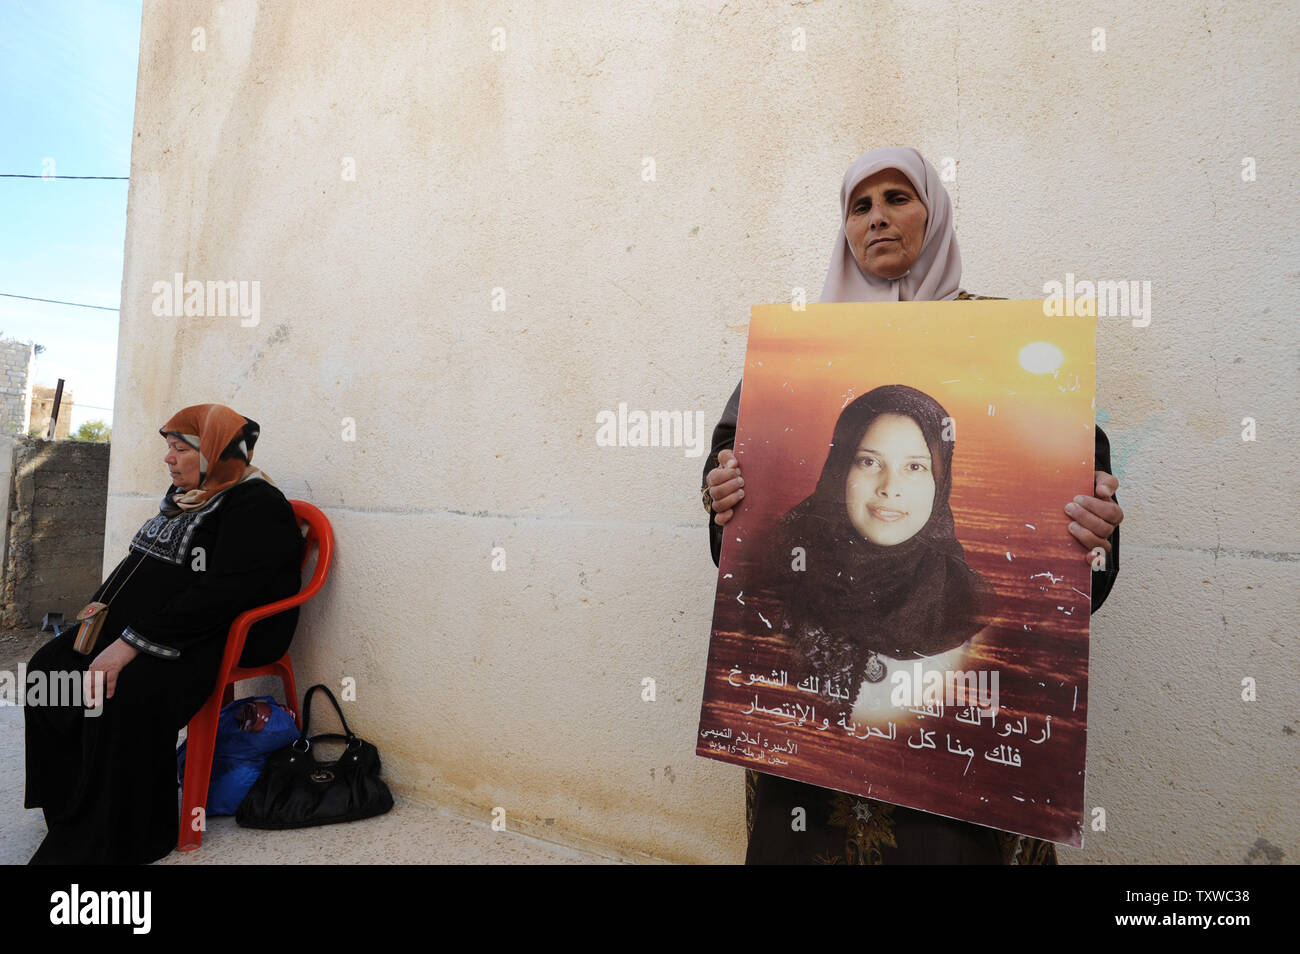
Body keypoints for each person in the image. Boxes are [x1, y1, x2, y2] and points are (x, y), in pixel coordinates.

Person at [701, 147, 1125, 865]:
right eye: (859, 207)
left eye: (897, 197)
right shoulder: (791, 356)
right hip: (806, 761)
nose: (878, 218)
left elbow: (1073, 566)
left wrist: (1093, 532)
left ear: (934, 212)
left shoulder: (1005, 346)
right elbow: (737, 530)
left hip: (956, 767)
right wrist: (721, 497)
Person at [23, 403, 304, 864]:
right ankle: (71, 805)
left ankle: (122, 835)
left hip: (217, 634)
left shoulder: (256, 505)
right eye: (167, 448)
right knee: (49, 670)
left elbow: (222, 594)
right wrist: (98, 620)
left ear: (216, 451)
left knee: (118, 691)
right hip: (156, 624)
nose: (168, 459)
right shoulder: (190, 497)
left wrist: (129, 645)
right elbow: (144, 568)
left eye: (180, 448)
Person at [758, 384, 996, 715]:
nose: (889, 488)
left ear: (940, 484)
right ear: (840, 469)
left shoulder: (971, 607)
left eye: (915, 467)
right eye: (869, 461)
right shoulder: (776, 571)